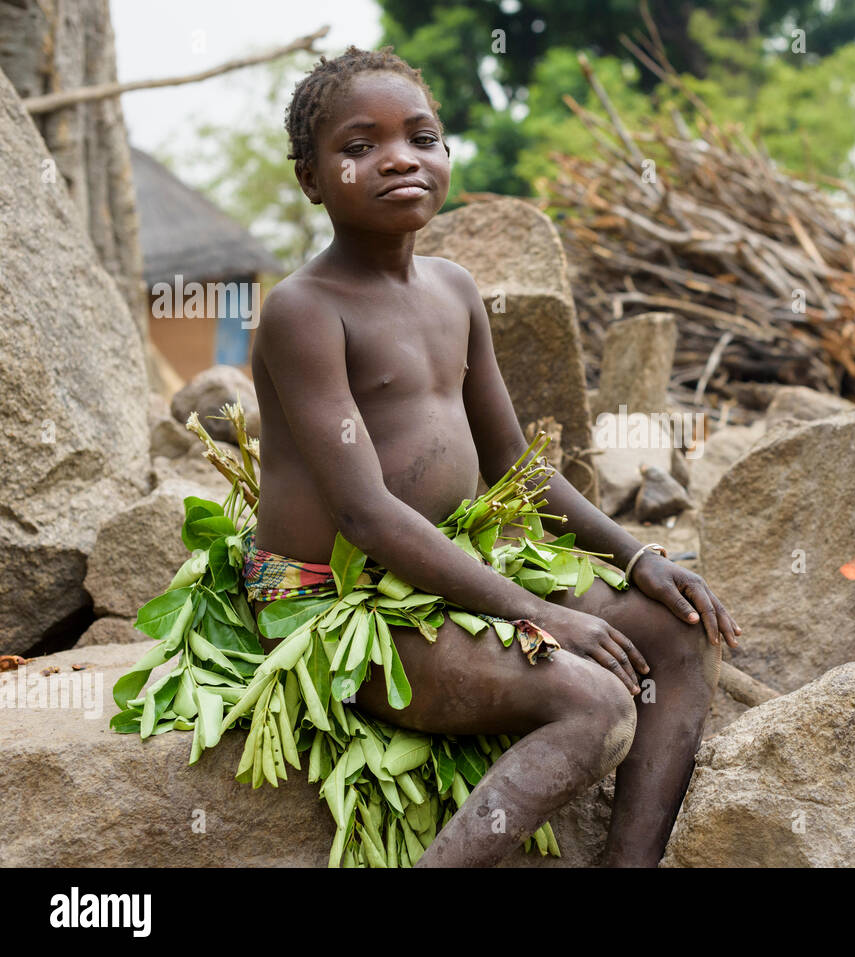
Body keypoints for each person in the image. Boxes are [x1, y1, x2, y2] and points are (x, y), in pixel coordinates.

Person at [247, 45, 741, 868]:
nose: (398, 157)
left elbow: (515, 467)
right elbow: (364, 514)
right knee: (596, 703)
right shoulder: (304, 310)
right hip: (340, 600)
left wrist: (639, 555)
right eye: (359, 146)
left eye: (422, 136)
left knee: (681, 633)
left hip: (446, 568)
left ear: (446, 155)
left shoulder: (454, 289)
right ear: (310, 178)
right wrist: (539, 612)